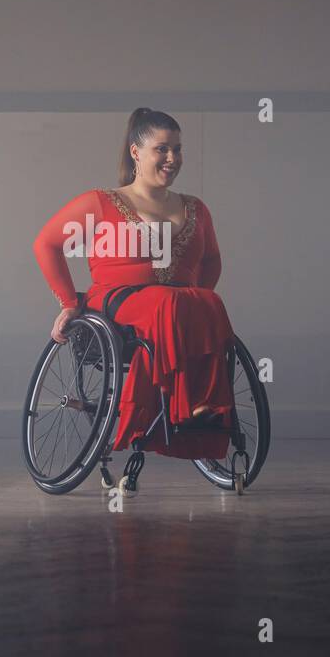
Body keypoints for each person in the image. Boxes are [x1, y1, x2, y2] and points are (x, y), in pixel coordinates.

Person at [32, 107, 235, 460]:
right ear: (136, 152)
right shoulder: (100, 202)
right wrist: (68, 302)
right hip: (115, 301)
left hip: (169, 305)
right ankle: (171, 408)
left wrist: (193, 303)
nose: (173, 158)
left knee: (208, 303)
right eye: (162, 149)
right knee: (171, 303)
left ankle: (201, 405)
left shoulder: (196, 209)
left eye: (178, 149)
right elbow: (46, 244)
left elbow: (212, 260)